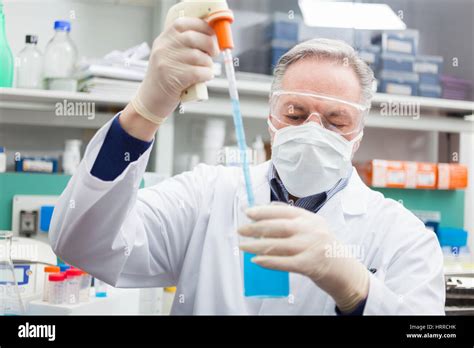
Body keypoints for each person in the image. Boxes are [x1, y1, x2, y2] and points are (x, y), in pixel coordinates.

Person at [49, 17, 445, 315]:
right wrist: (145, 110)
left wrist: (356, 288)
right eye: (295, 112)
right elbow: (82, 244)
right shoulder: (206, 195)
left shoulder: (404, 237)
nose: (312, 130)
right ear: (270, 117)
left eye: (336, 120)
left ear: (358, 132)